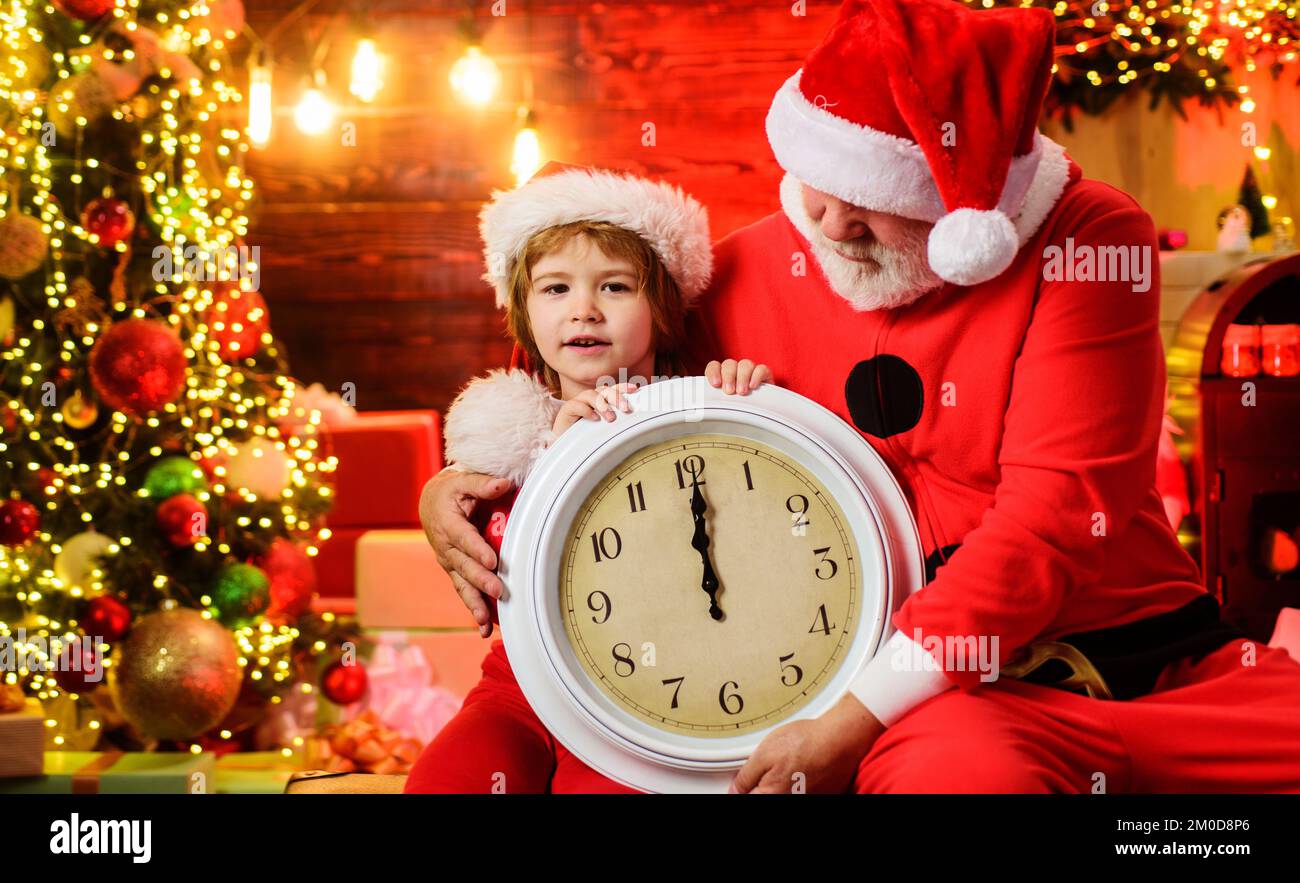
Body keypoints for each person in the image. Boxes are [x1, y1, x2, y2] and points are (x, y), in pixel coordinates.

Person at [420, 0, 1300, 794]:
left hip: (1149, 662)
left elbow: (1059, 514)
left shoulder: (1090, 241)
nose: (832, 224)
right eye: (817, 185)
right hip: (948, 708)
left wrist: (848, 722)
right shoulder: (744, 266)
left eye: (874, 201)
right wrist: (456, 481)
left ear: (969, 211)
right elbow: (578, 363)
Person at [404, 160, 772, 792]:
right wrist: (554, 457)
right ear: (521, 309)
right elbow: (501, 574)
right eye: (555, 289)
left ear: (661, 309)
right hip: (519, 689)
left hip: (647, 691)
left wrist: (743, 401)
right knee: (450, 779)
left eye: (615, 287)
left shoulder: (698, 416)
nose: (584, 311)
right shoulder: (505, 442)